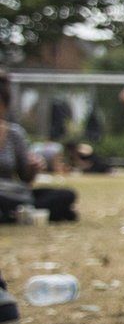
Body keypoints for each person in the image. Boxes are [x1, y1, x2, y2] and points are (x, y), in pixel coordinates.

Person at [0, 73, 78, 223]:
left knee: (66, 195)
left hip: (13, 194)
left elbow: (25, 178)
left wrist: (33, 167)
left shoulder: (14, 134)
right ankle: (23, 214)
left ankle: (15, 214)